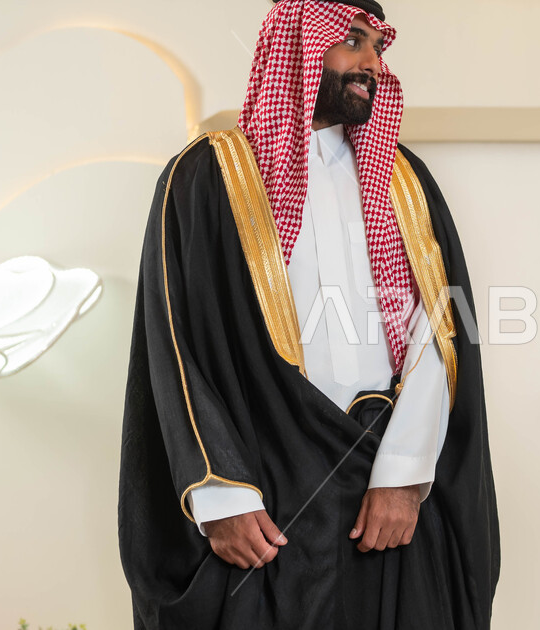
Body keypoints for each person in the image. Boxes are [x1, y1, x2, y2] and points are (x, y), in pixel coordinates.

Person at [118, 1, 499, 628]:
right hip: (265, 496)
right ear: (296, 39)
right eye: (353, 41)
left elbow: (441, 335)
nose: (371, 64)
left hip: (387, 497)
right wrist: (221, 493)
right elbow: (175, 344)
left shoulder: (408, 182)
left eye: (378, 48)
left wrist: (405, 475)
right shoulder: (208, 177)